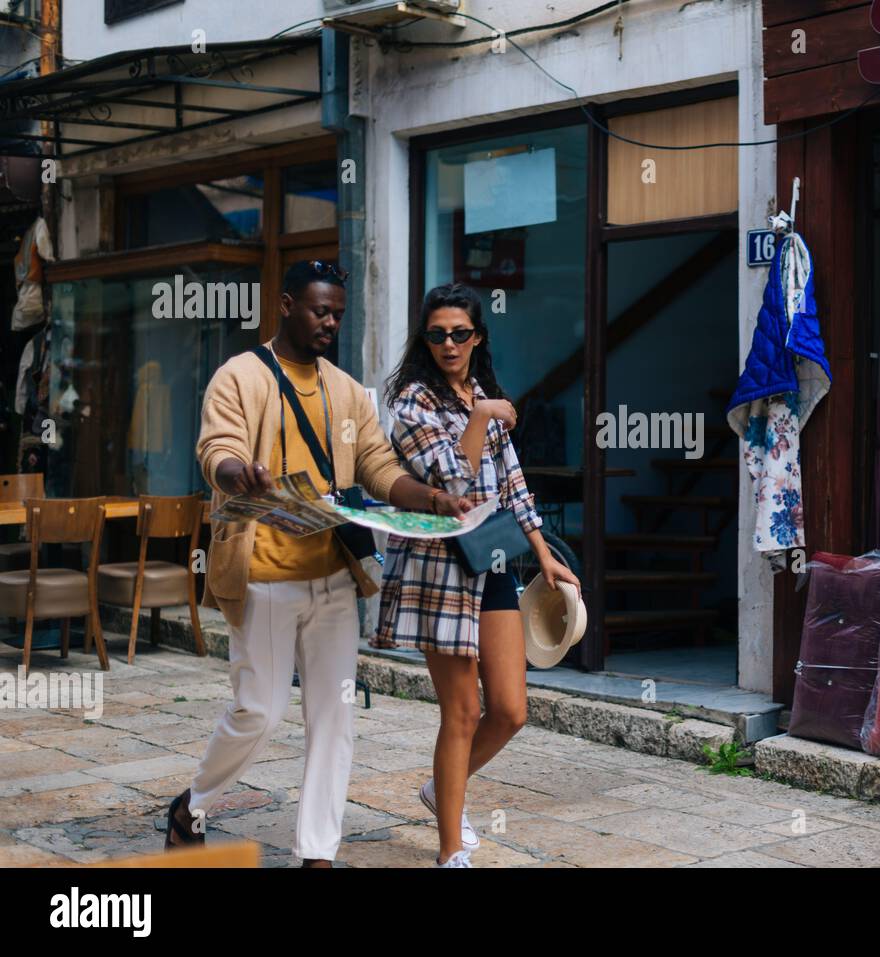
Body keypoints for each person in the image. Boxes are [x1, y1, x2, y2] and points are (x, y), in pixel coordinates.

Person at [163, 260, 471, 867]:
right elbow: (216, 448)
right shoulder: (240, 376)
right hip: (263, 578)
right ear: (285, 305)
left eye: (337, 313)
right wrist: (238, 473)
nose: (330, 322)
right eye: (318, 310)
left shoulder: (347, 391)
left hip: (333, 577)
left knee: (335, 717)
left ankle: (318, 854)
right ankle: (192, 805)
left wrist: (431, 498)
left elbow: (380, 469)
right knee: (259, 711)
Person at [376, 282, 580, 868]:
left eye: (459, 333)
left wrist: (542, 552)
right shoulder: (413, 404)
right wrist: (482, 414)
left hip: (490, 564)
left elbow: (513, 484)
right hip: (440, 572)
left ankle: (442, 790)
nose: (448, 343)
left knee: (512, 710)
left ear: (477, 337)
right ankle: (449, 853)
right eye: (437, 334)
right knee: (462, 711)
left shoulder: (480, 392)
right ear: (425, 339)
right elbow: (452, 483)